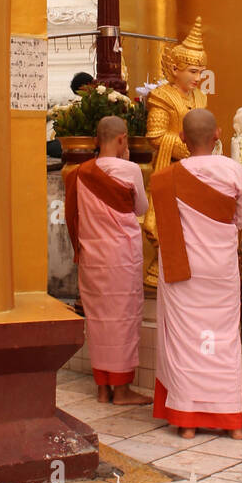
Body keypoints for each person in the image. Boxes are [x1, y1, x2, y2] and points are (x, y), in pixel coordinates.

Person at [151, 108, 242, 440]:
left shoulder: (167, 177)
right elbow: (241, 219)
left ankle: (188, 420)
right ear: (218, 134)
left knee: (188, 340)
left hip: (184, 271)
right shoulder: (234, 170)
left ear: (181, 139)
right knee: (222, 340)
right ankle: (232, 421)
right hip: (220, 270)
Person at [64, 115, 149, 405]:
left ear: (97, 140)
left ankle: (102, 387)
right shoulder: (129, 169)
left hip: (92, 258)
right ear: (122, 139)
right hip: (122, 258)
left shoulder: (80, 172)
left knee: (98, 321)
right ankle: (122, 390)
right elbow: (141, 208)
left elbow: (72, 217)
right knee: (124, 319)